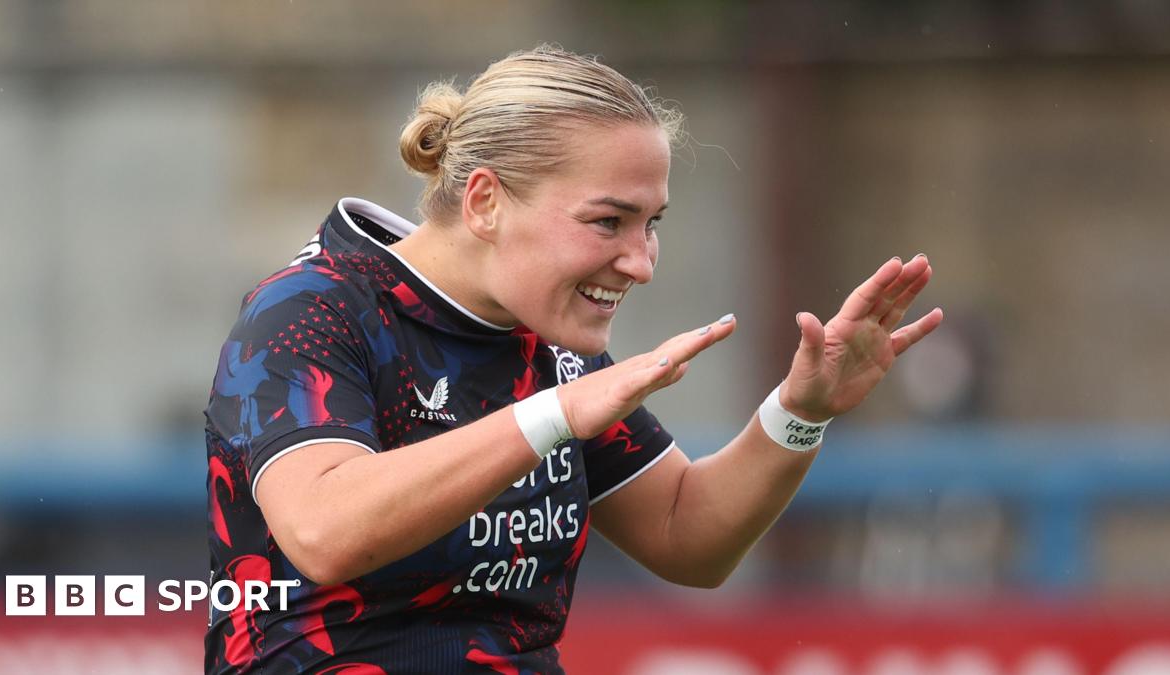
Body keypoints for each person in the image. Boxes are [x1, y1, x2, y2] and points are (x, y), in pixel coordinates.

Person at [204, 45, 942, 674]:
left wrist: (800, 412)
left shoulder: (543, 336)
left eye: (651, 223)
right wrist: (550, 417)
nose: (642, 261)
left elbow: (691, 536)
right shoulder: (310, 311)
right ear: (486, 202)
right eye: (608, 221)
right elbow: (325, 531)